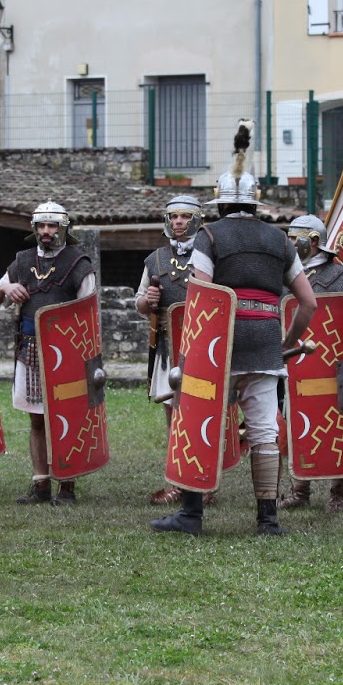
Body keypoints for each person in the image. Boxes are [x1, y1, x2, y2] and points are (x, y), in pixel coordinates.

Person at [152, 125, 317, 536]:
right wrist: (286, 343)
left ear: (220, 204)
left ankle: (191, 514)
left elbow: (200, 295)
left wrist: (199, 344)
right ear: (255, 203)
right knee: (263, 427)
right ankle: (268, 519)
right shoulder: (280, 240)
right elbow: (308, 302)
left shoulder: (208, 236)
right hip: (264, 343)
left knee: (198, 418)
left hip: (217, 345)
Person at [0, 201, 97, 506]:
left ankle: (67, 484)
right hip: (30, 349)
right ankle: (41, 483)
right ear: (34, 229)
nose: (47, 232)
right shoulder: (21, 262)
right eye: (42, 226)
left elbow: (88, 313)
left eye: (53, 226)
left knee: (67, 417)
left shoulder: (79, 263)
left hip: (68, 354)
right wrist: (6, 289)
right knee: (37, 419)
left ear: (64, 228)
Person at [279, 214, 343, 513]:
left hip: (333, 362)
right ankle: (300, 488)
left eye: (293, 240)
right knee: (297, 424)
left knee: (338, 426)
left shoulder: (341, 277)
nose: (289, 246)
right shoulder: (286, 276)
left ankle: (338, 491)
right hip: (297, 361)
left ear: (313, 242)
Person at [138, 195, 203, 507]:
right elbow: (140, 305)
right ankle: (178, 482)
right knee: (173, 418)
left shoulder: (208, 254)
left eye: (185, 216)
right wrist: (148, 300)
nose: (178, 222)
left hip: (204, 348)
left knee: (202, 416)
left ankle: (204, 483)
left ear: (196, 220)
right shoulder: (155, 260)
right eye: (174, 216)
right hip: (167, 346)